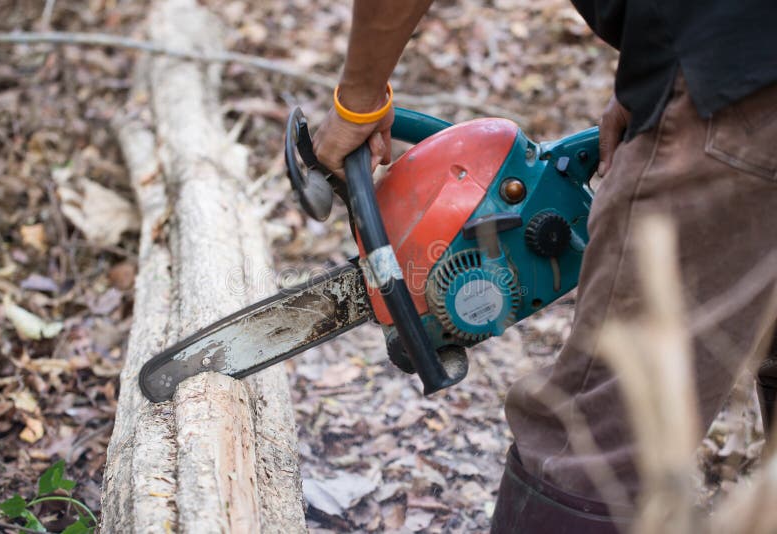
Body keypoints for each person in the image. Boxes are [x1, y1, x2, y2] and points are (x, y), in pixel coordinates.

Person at [313, 1, 777, 532]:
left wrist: (358, 103)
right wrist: (646, 81)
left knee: (594, 441)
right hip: (733, 62)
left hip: (735, 87)